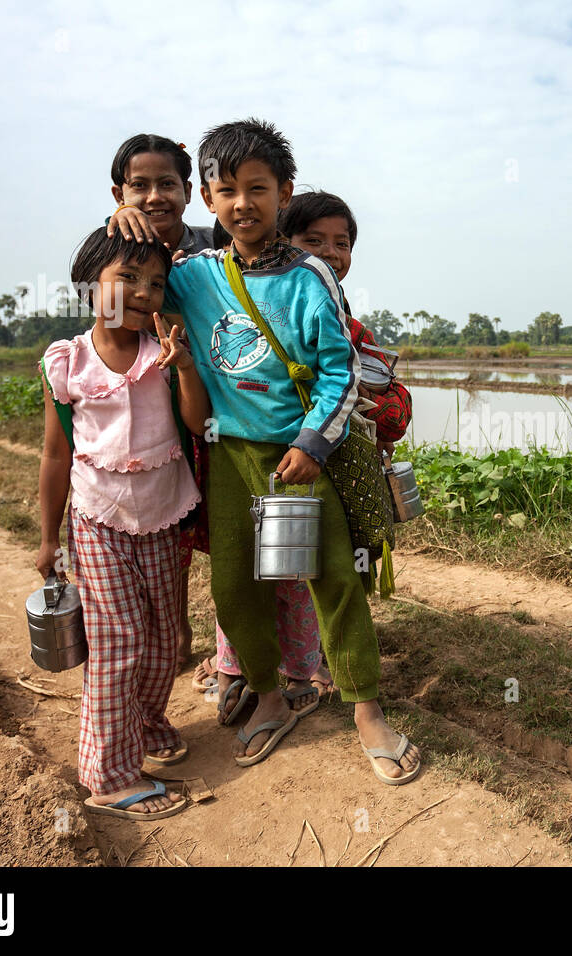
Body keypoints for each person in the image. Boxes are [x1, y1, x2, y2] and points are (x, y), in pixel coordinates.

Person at [110, 118, 421, 782]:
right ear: (209, 202)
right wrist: (125, 213)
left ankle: (367, 712)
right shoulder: (192, 275)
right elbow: (127, 269)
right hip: (229, 457)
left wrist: (312, 443)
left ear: (285, 192)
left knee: (332, 579)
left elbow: (338, 371)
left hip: (296, 458)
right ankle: (271, 697)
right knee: (234, 585)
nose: (243, 204)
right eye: (227, 191)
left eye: (258, 189)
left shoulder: (310, 277)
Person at [199, 191, 414, 708]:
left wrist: (371, 409)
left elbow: (396, 403)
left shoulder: (346, 322)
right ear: (284, 242)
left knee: (318, 571)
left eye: (342, 243)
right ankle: (241, 668)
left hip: (324, 459)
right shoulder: (236, 295)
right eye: (314, 240)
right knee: (249, 571)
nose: (331, 253)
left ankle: (311, 666)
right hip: (258, 456)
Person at [36, 228, 210, 818]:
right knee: (118, 641)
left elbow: (195, 422)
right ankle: (108, 774)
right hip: (98, 520)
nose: (143, 292)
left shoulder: (161, 353)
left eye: (156, 283)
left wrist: (185, 367)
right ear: (91, 287)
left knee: (166, 640)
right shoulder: (68, 363)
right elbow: (55, 455)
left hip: (163, 516)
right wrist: (45, 537)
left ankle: (149, 725)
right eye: (127, 278)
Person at [108, 133, 213, 667]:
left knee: (227, 534)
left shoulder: (213, 243)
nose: (155, 197)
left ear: (189, 191)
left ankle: (235, 652)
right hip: (156, 421)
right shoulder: (113, 255)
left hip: (218, 410)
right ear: (117, 193)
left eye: (167, 183)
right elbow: (106, 330)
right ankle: (175, 639)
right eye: (139, 185)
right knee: (165, 541)